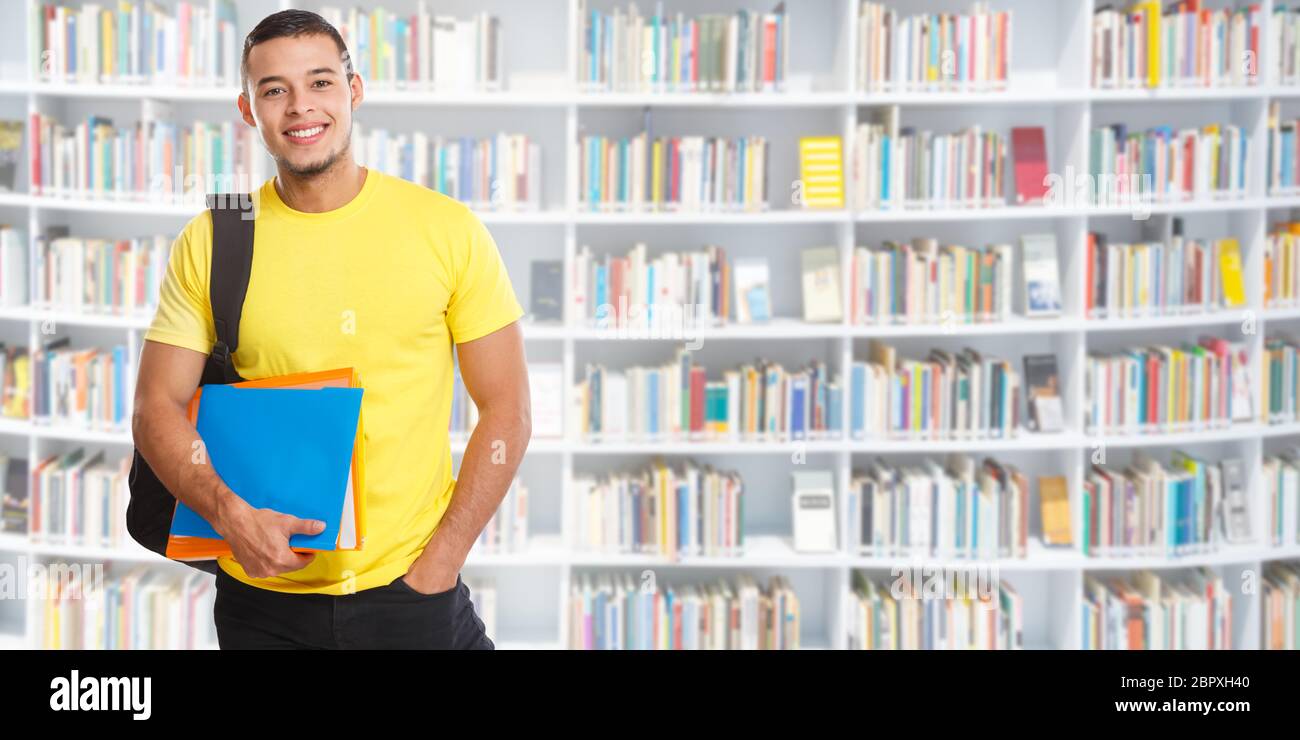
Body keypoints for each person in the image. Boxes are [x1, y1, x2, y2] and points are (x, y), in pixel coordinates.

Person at [131, 9, 531, 649]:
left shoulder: (446, 228)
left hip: (414, 592)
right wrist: (231, 518)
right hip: (260, 598)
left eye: (320, 82)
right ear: (247, 110)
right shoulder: (216, 235)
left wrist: (442, 562)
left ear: (355, 91)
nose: (299, 107)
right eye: (274, 90)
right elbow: (155, 408)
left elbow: (507, 408)